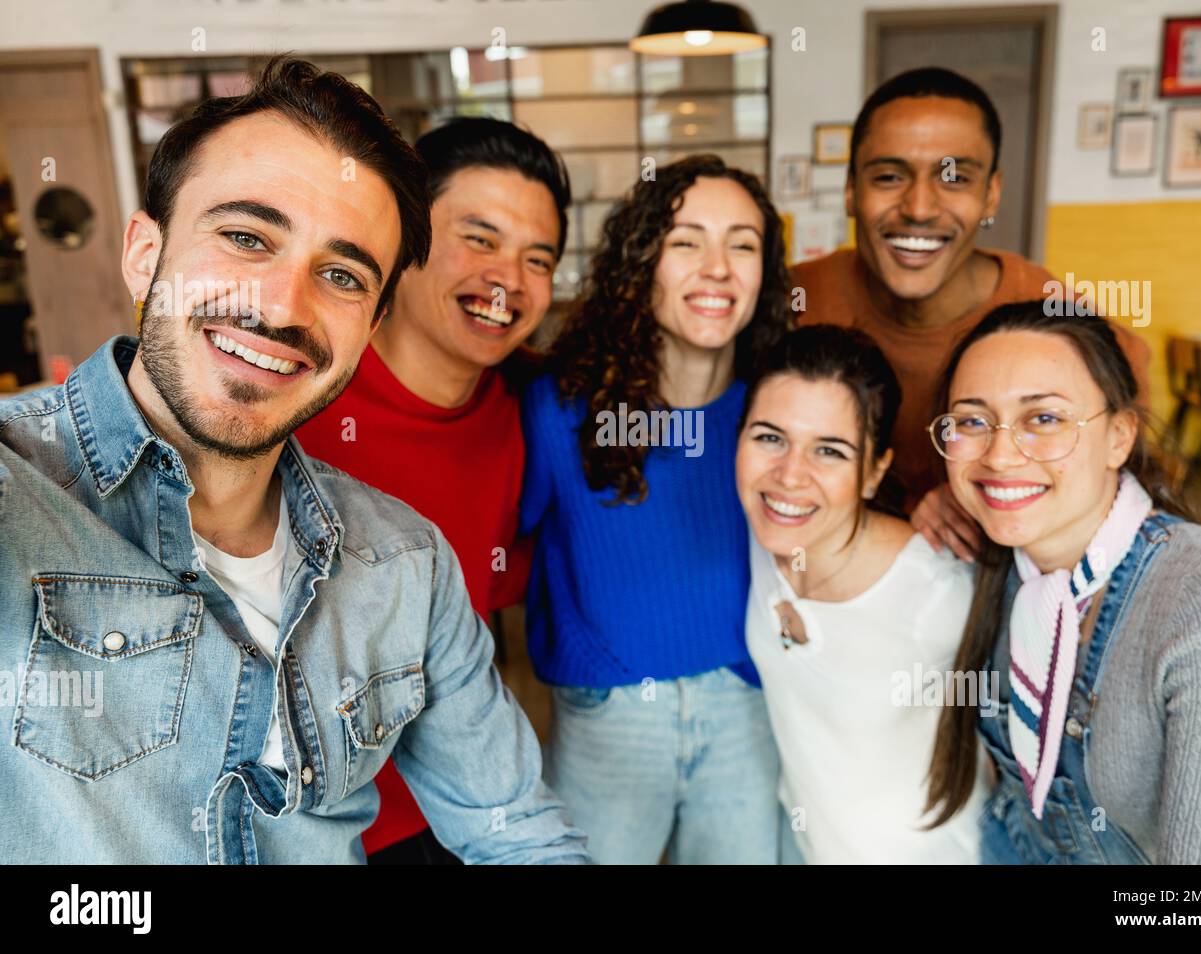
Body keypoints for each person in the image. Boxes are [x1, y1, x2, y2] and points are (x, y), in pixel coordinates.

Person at [0, 57, 588, 864]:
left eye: (341, 275)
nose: (282, 305)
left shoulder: (408, 561)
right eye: (245, 237)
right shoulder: (18, 493)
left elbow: (517, 833)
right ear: (145, 253)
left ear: (371, 321)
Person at [923, 300, 1201, 863]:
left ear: (1120, 436)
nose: (1000, 455)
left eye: (1044, 418)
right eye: (972, 421)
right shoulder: (1000, 567)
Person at [295, 116, 569, 863]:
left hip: (454, 808)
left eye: (537, 258)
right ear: (404, 240)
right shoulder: (295, 399)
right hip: (300, 821)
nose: (507, 281)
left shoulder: (532, 417)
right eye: (479, 238)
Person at [520, 154, 792, 863]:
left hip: (745, 705)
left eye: (743, 243)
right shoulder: (559, 409)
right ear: (642, 262)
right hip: (610, 712)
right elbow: (489, 555)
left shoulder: (778, 412)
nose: (718, 267)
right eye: (685, 241)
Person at [789, 67, 1151, 559]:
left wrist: (979, 488)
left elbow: (1130, 481)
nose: (918, 207)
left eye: (955, 177)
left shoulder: (1053, 321)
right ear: (852, 190)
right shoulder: (793, 300)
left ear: (991, 195)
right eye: (889, 176)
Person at [737, 324, 989, 863]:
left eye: (829, 450)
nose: (789, 475)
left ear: (874, 473)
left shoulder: (936, 592)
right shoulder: (765, 537)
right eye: (769, 437)